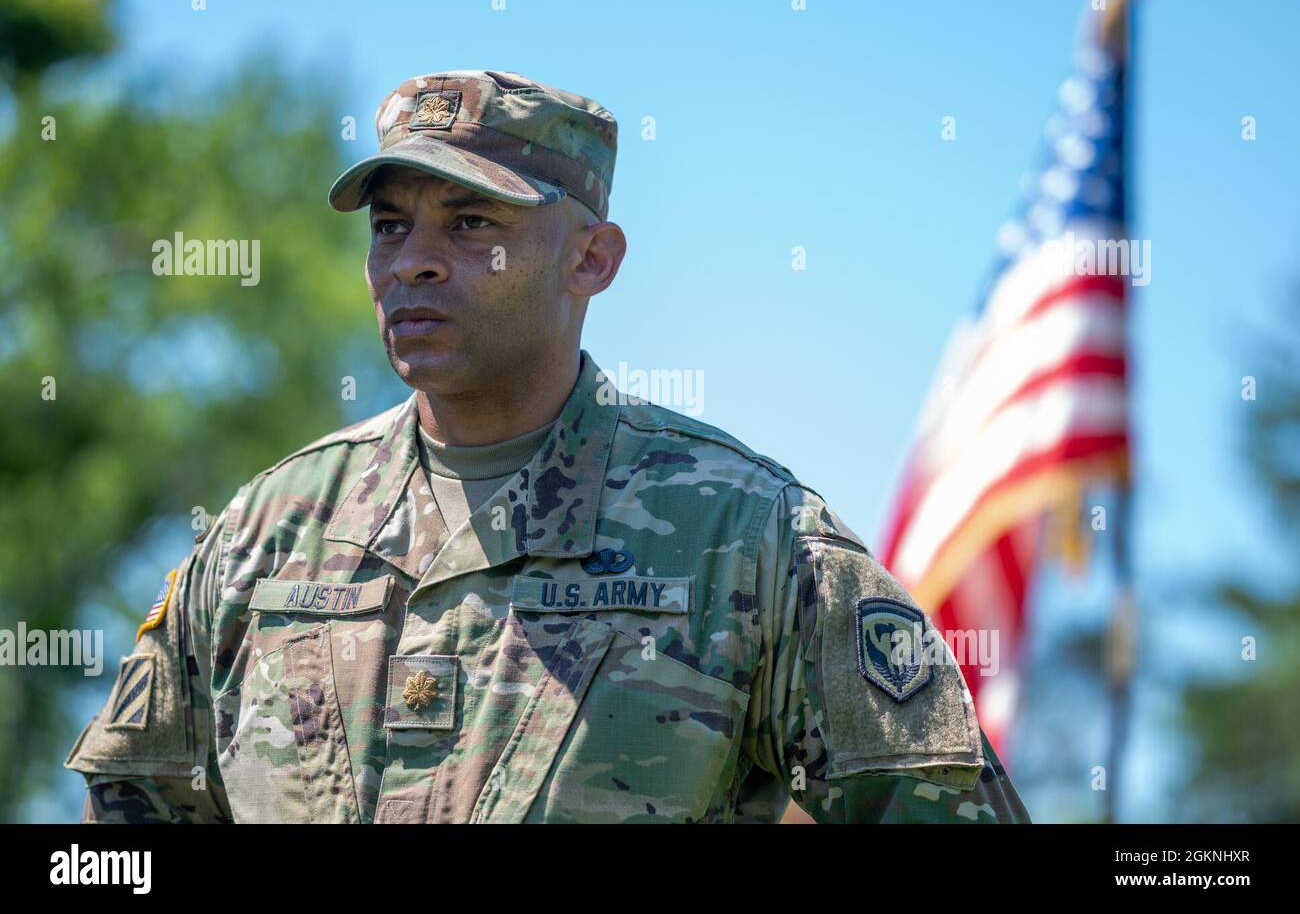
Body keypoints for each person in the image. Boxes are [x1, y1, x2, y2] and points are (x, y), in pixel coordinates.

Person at [67, 69, 1030, 823]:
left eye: (472, 222)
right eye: (391, 226)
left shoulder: (746, 535)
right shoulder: (264, 533)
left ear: (592, 259)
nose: (413, 260)